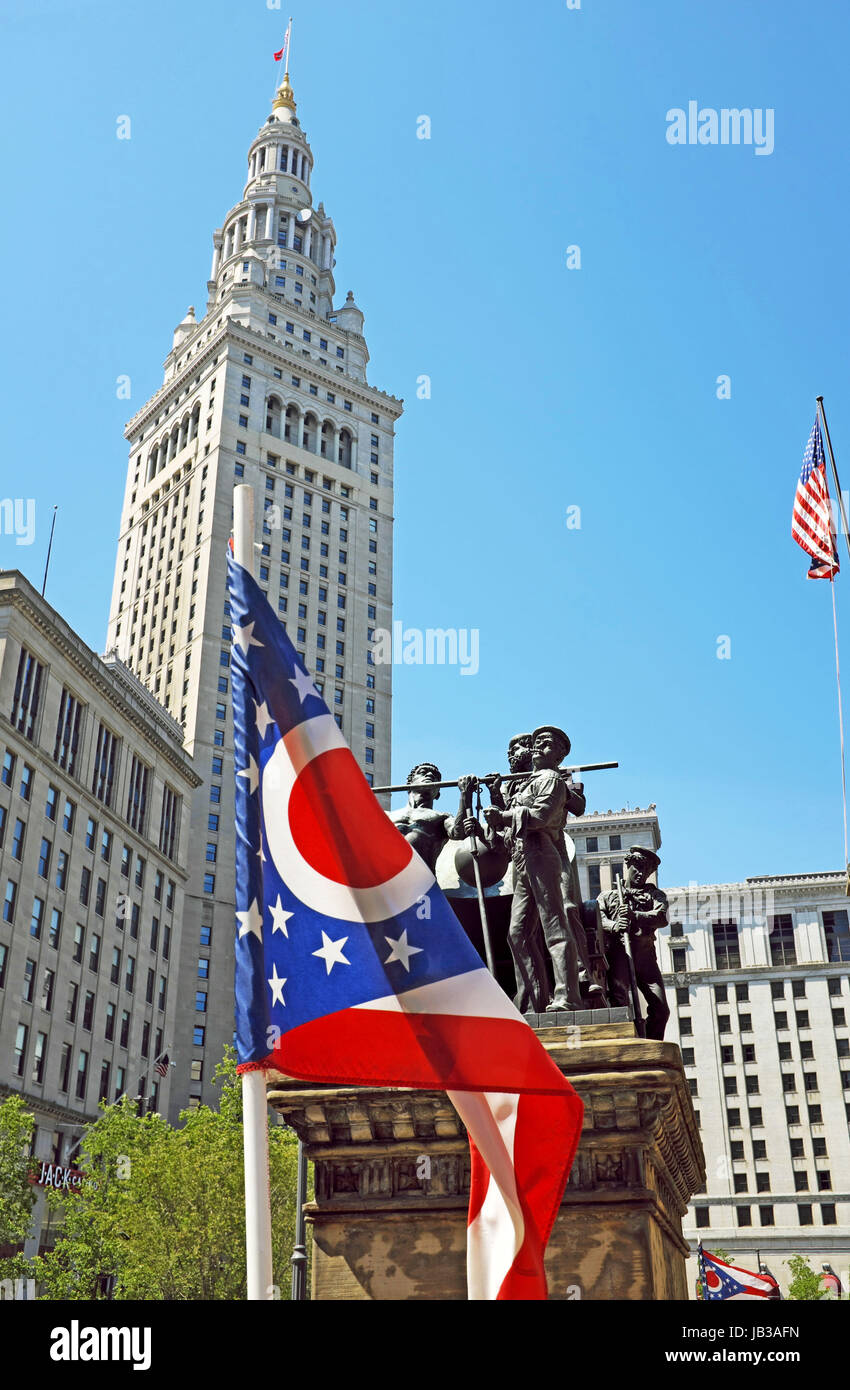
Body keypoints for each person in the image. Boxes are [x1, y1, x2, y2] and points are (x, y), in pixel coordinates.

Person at [483, 725, 582, 1013]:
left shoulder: (551, 779)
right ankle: (531, 1001)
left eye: (547, 744)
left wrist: (503, 816)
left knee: (554, 925)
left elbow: (540, 816)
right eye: (537, 742)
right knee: (518, 933)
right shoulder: (526, 784)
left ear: (560, 756)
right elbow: (504, 838)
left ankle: (568, 996)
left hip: (541, 852)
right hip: (522, 858)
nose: (539, 747)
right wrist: (495, 808)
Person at [598, 845, 670, 1040]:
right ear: (627, 866)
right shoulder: (607, 896)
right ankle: (627, 1045)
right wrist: (614, 925)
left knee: (661, 1010)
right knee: (619, 1005)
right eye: (637, 869)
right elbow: (598, 919)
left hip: (646, 959)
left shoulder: (654, 895)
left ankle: (650, 1046)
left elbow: (661, 917)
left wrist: (634, 915)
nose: (641, 874)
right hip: (620, 955)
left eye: (645, 872)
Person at [389, 762, 474, 874]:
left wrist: (465, 794)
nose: (430, 775)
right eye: (423, 772)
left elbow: (459, 832)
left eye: (436, 778)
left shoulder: (442, 817)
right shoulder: (386, 816)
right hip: (387, 881)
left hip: (421, 882)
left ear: (438, 792)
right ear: (409, 783)